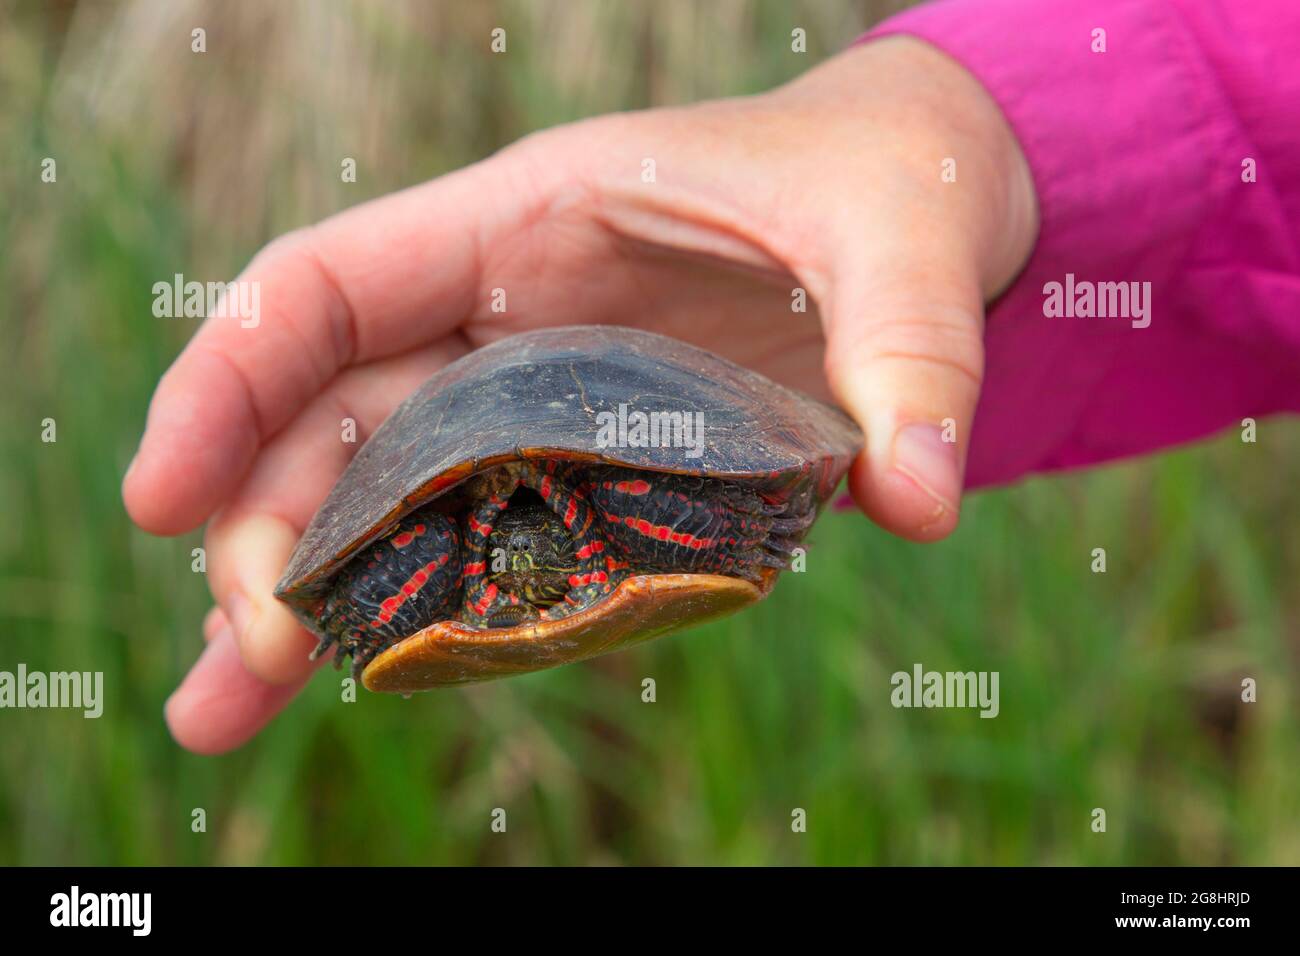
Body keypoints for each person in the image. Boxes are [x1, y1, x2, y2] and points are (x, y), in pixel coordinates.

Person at [123, 0, 1300, 754]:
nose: (525, 536)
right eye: (515, 524)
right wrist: (985, 118)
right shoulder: (472, 549)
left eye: (540, 514)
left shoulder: (614, 509)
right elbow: (370, 581)